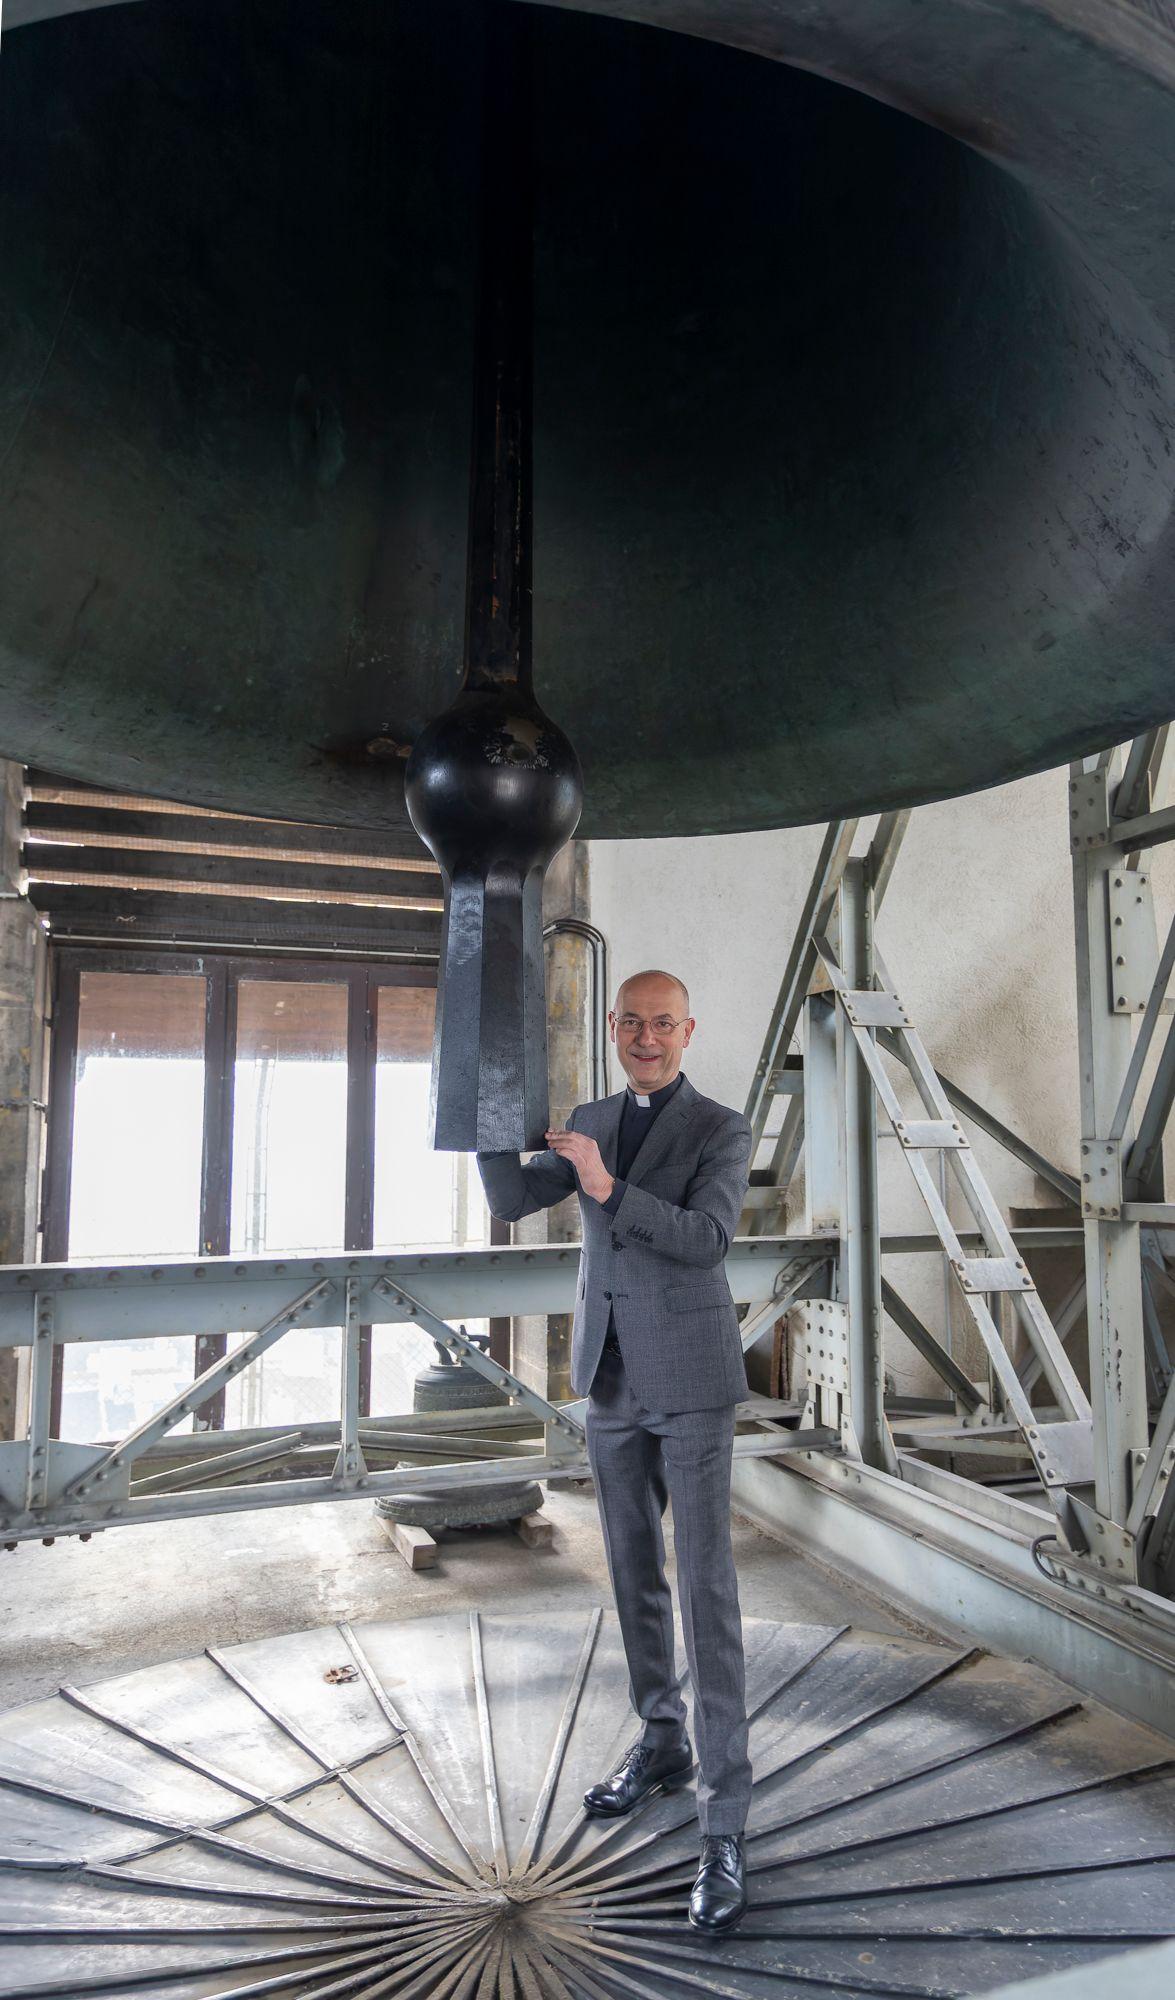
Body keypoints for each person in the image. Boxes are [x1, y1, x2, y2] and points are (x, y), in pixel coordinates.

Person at [477, 969, 753, 1933]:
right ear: (612, 1026)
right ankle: (661, 1742)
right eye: (630, 1022)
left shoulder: (721, 1127)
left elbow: (708, 1239)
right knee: (633, 1570)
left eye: (662, 1024)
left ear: (688, 1030)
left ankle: (726, 1820)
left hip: (690, 1379)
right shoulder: (589, 1112)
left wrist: (604, 1184)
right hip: (610, 1380)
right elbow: (512, 1195)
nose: (646, 1037)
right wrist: (483, 1100)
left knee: (704, 1587)